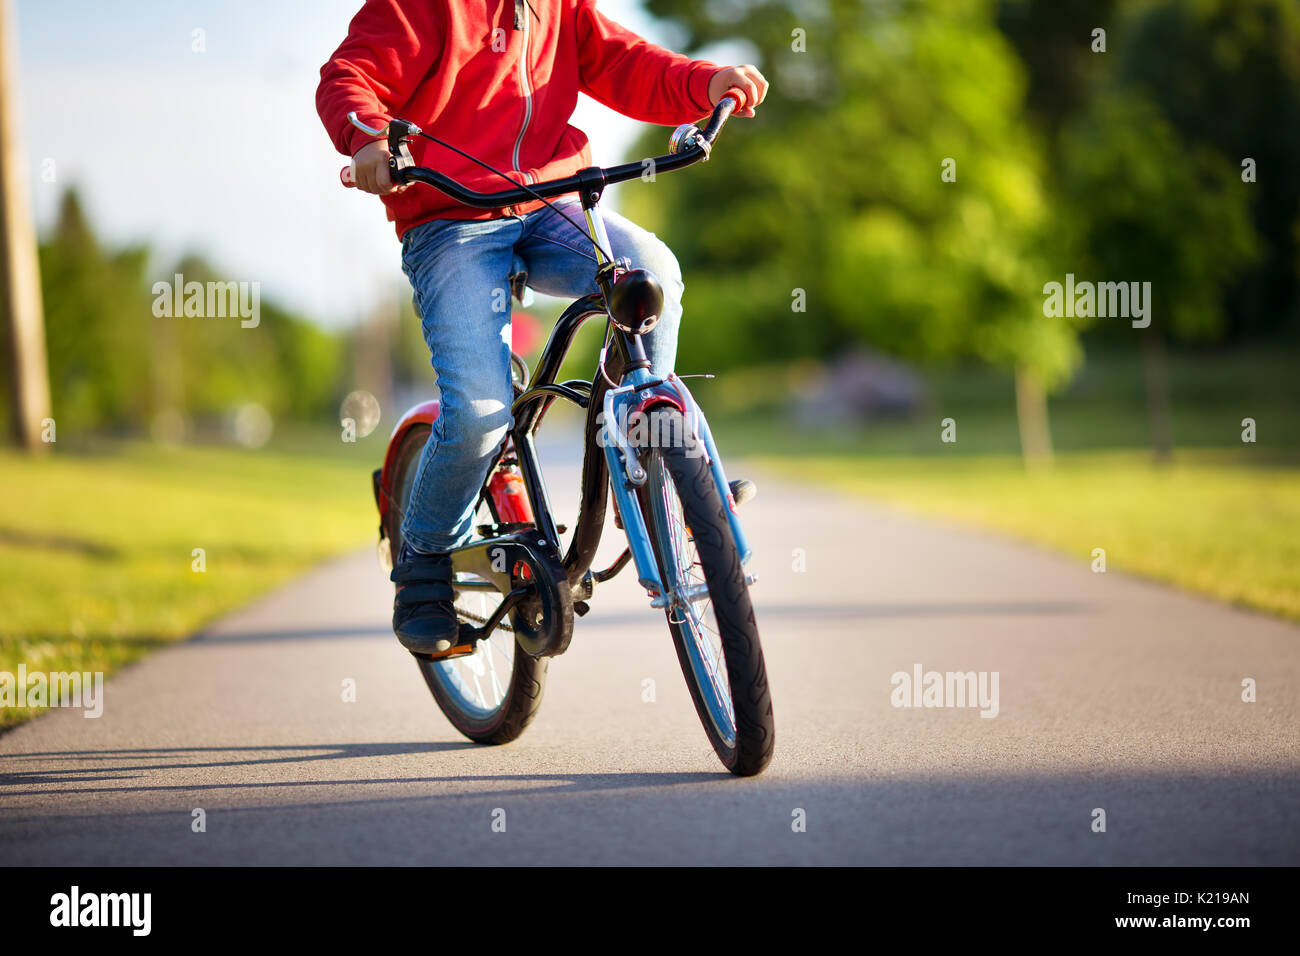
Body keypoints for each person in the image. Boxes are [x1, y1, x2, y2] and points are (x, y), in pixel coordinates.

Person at [318, 1, 767, 654]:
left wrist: (705, 84)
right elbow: (350, 77)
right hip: (451, 220)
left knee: (652, 272)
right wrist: (369, 139)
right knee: (479, 414)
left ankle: (650, 460)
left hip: (552, 200)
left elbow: (623, 62)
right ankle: (423, 560)